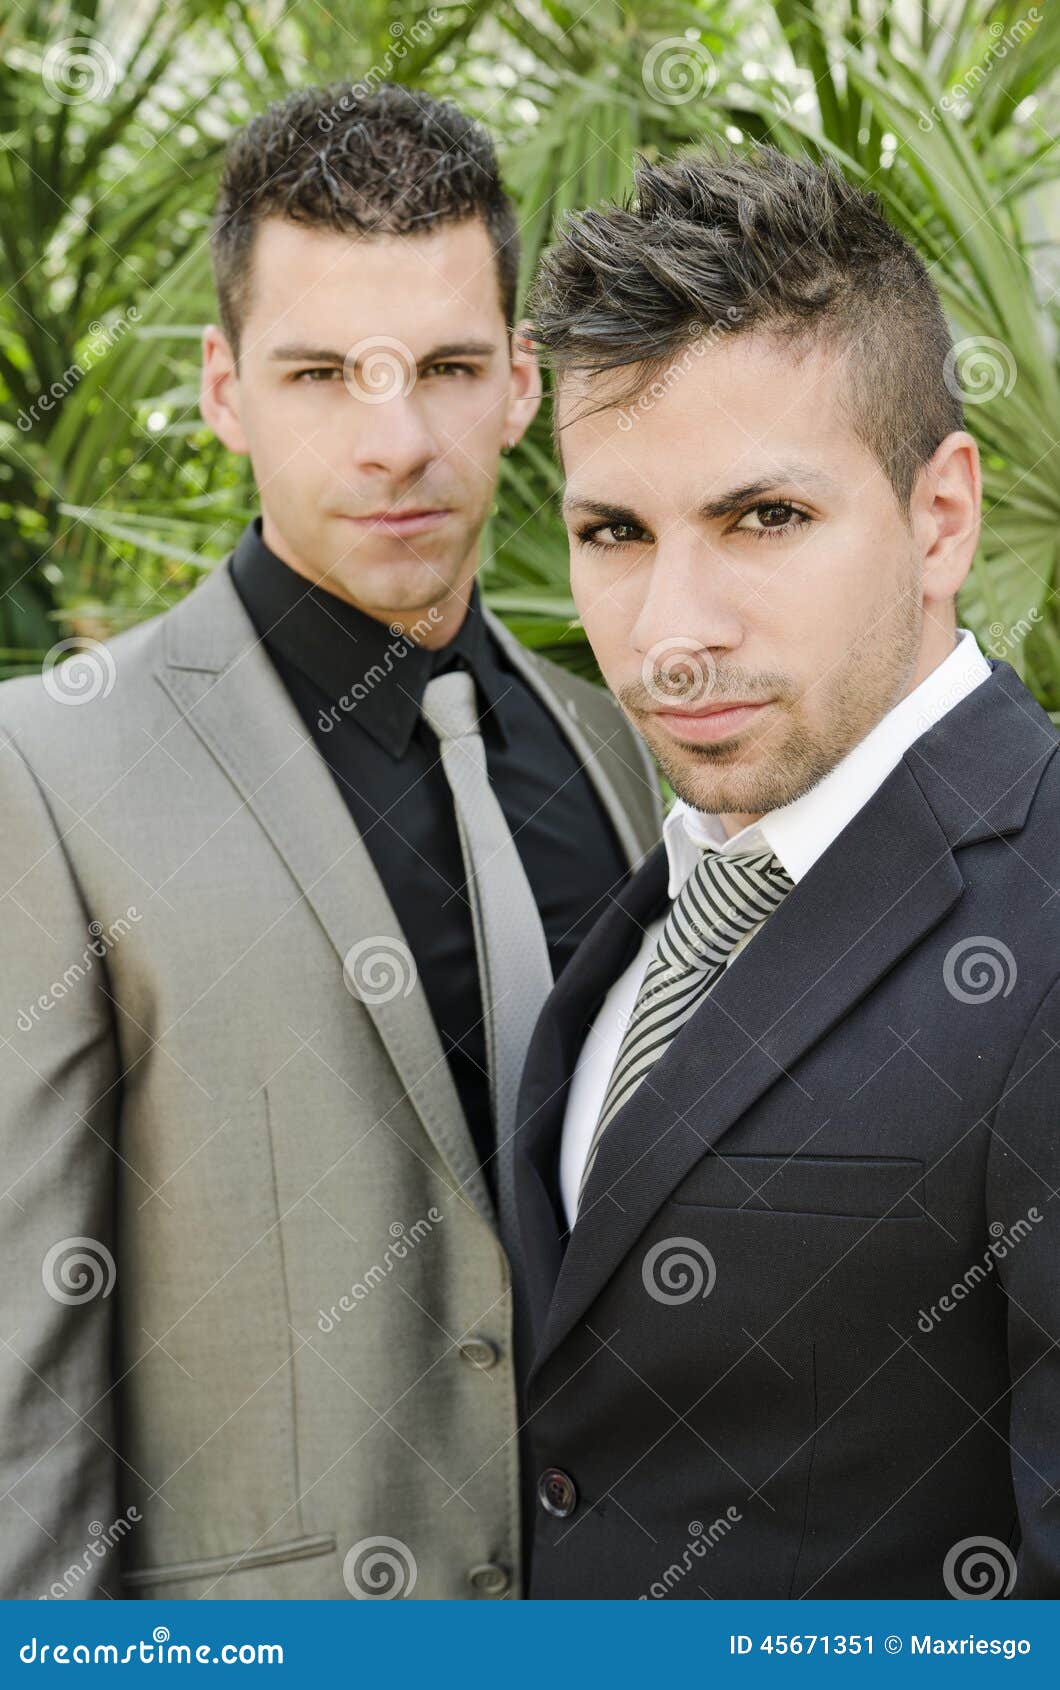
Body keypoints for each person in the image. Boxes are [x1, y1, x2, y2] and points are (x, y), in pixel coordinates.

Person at [0, 82, 661, 1600]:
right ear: (228, 390)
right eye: (321, 376)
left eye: (445, 366)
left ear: (522, 383)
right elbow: (20, 1398)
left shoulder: (618, 750)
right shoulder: (43, 772)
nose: (397, 442)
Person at [512, 142, 1060, 1598]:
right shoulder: (663, 899)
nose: (672, 626)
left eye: (765, 518)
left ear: (941, 518)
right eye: (613, 532)